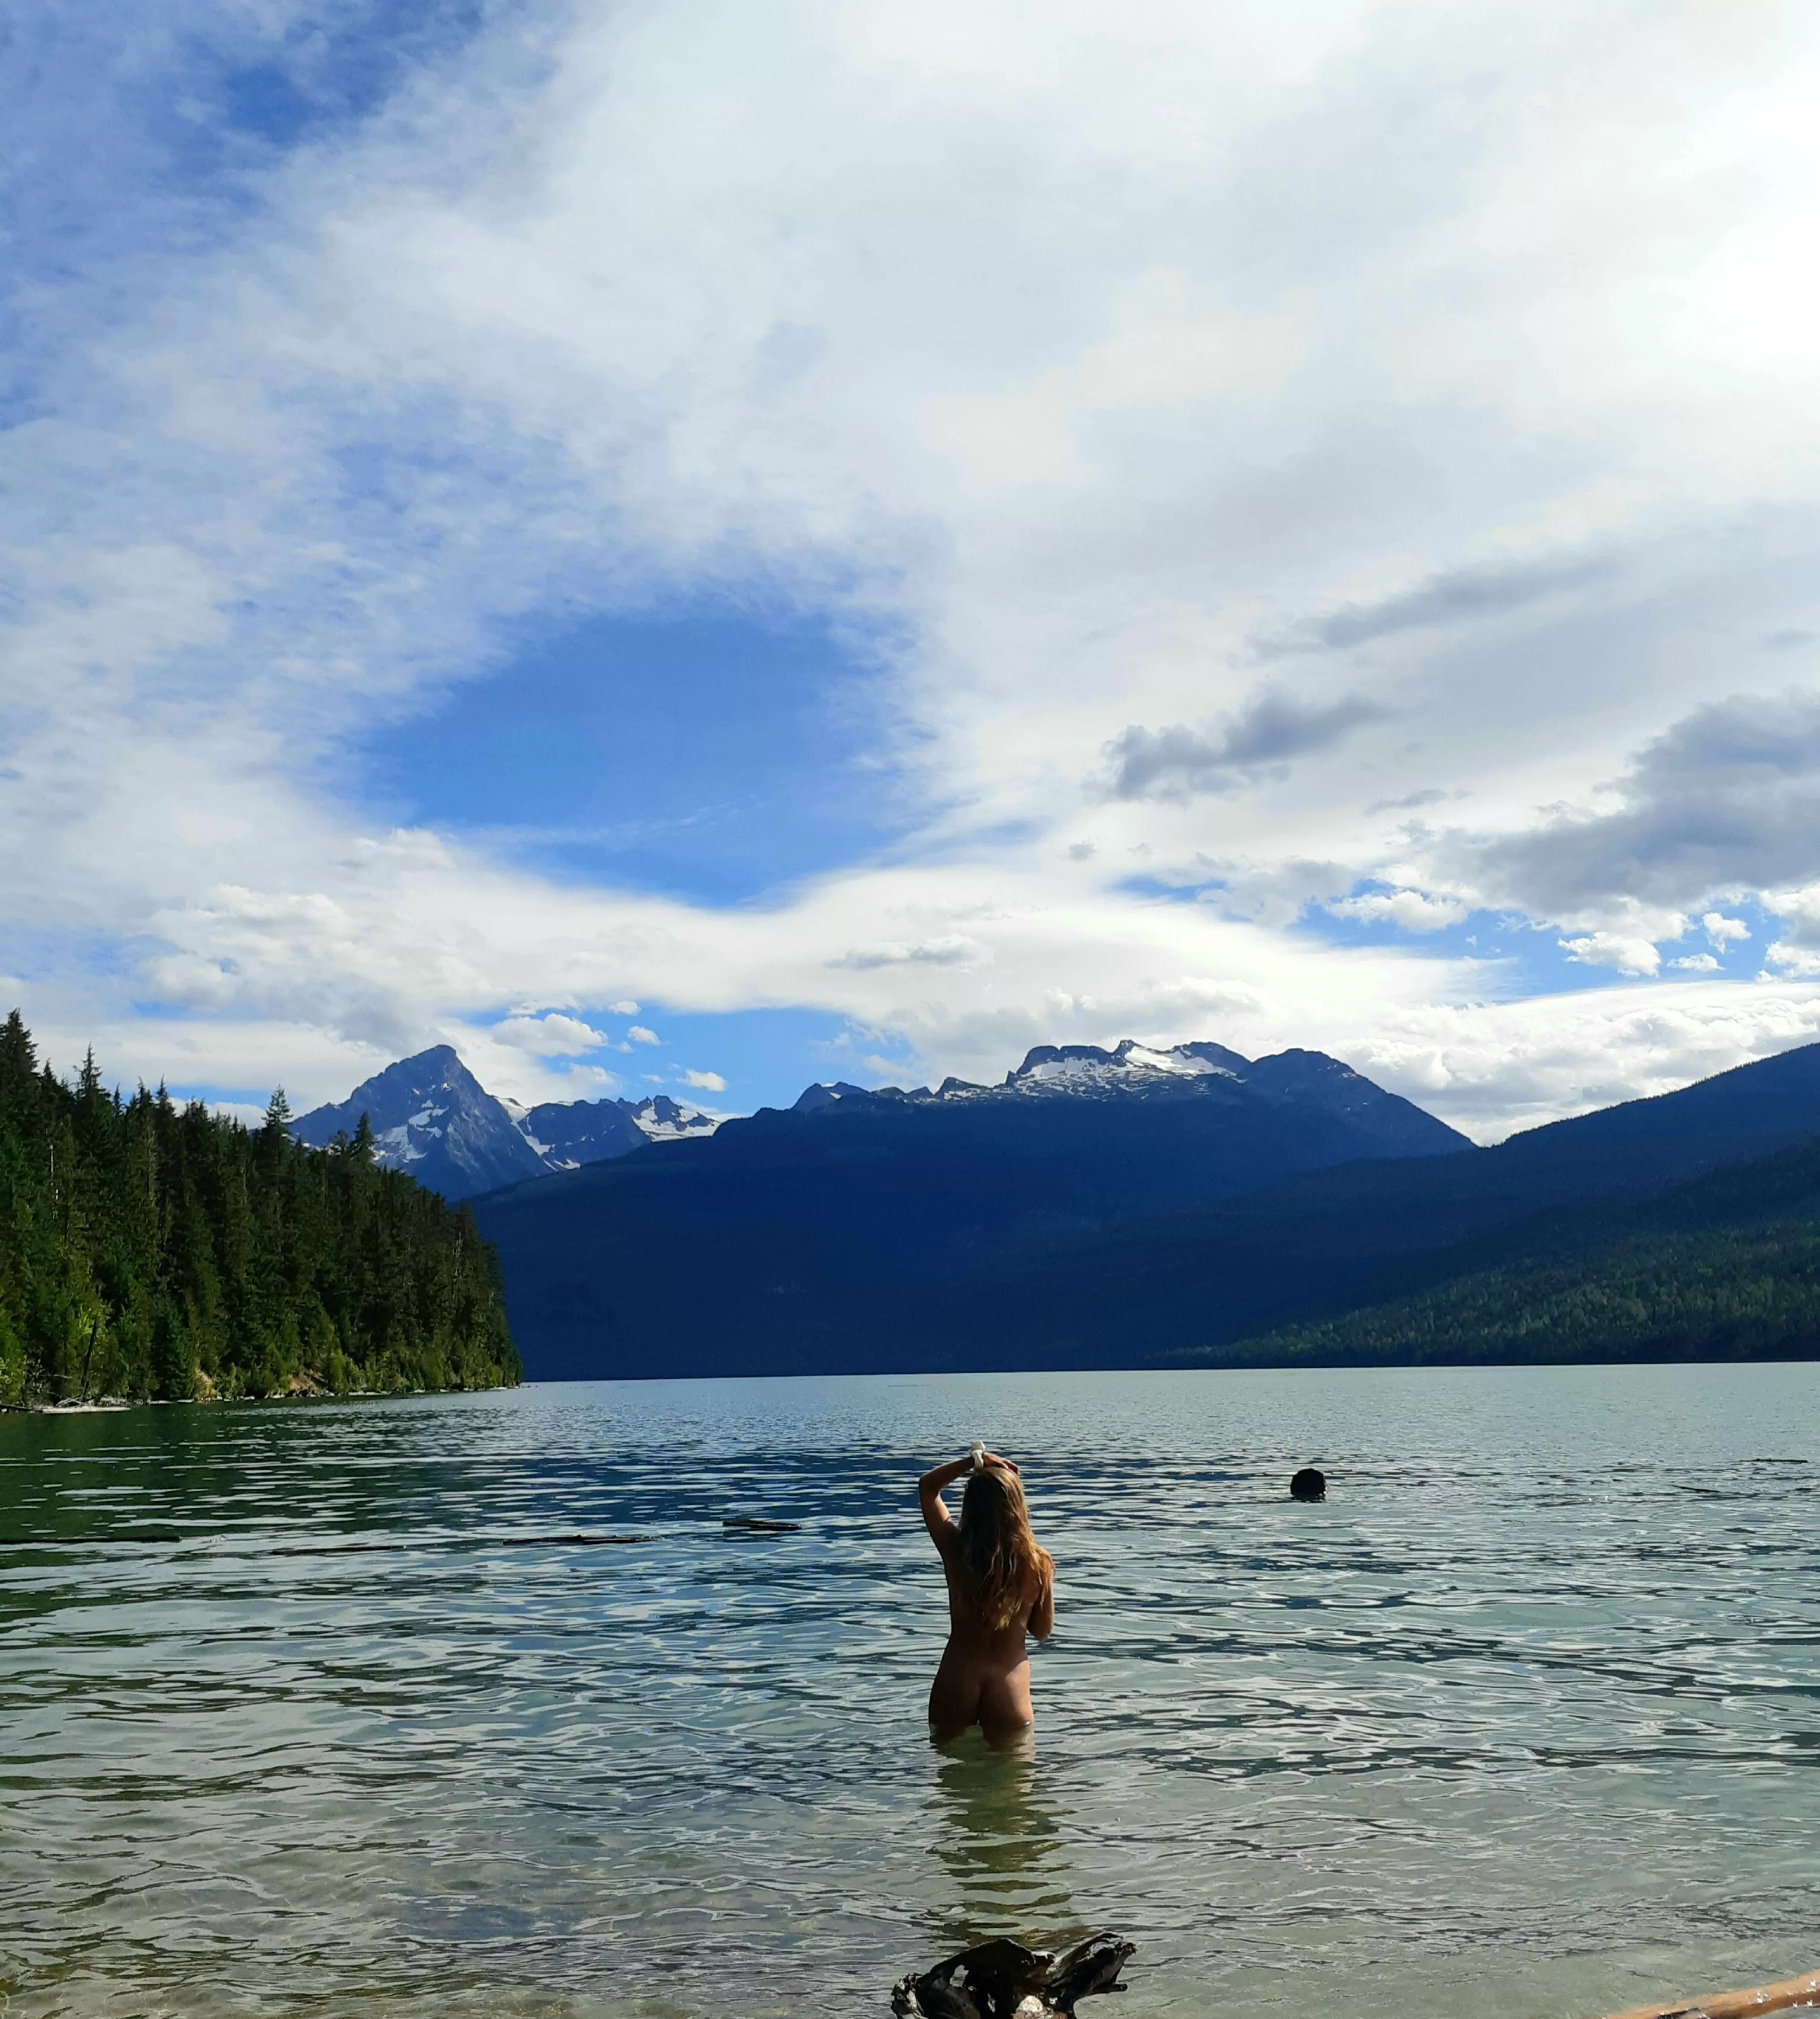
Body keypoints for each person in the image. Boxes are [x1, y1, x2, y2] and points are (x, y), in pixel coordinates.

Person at [918, 1448, 1055, 1745]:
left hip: (957, 1681)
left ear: (970, 1506)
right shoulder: (1038, 1563)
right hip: (1010, 1688)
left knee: (951, 1785)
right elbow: (1042, 1632)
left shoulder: (955, 1551)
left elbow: (928, 1487)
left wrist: (974, 1460)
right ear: (1016, 1507)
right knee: (1012, 1789)